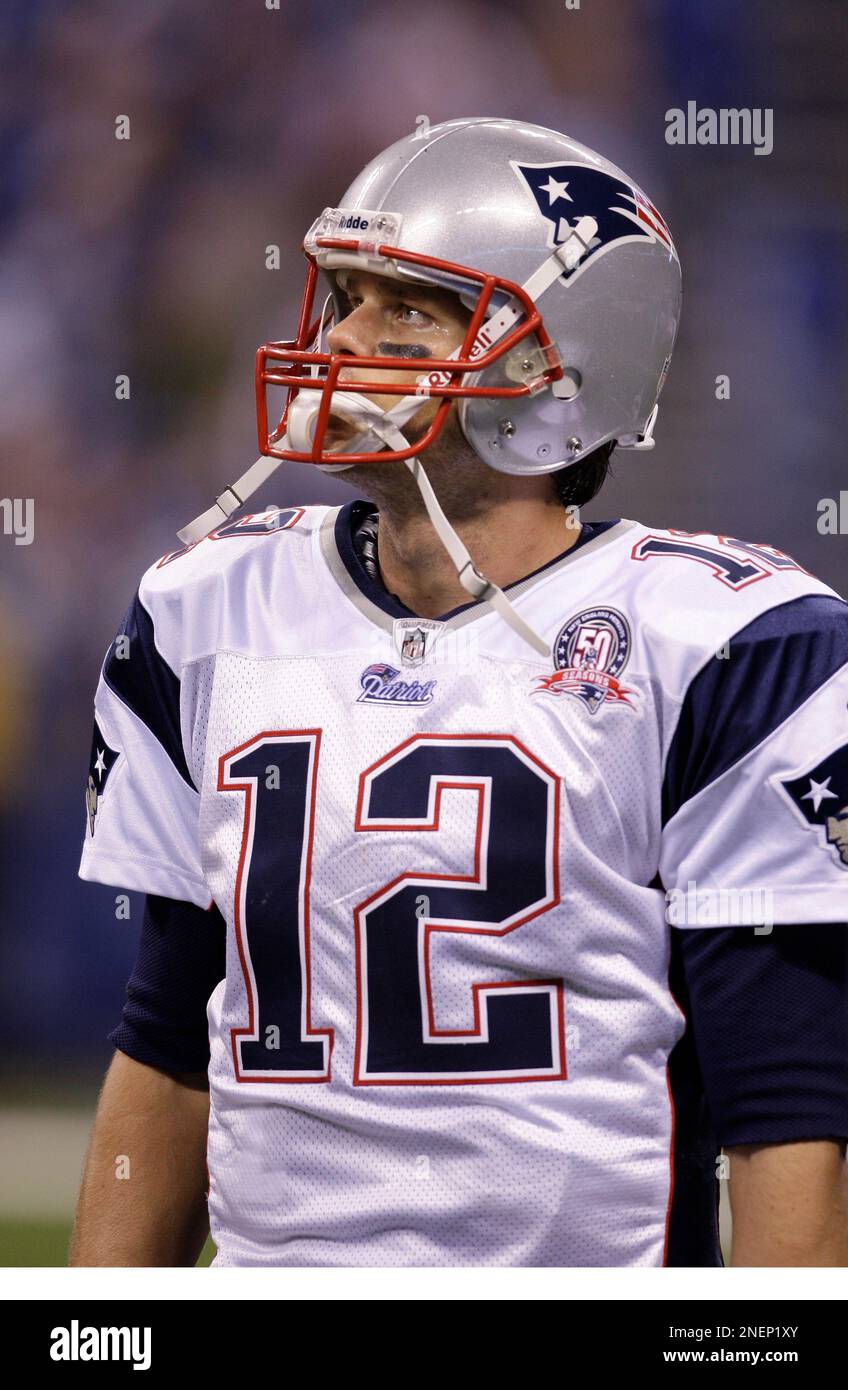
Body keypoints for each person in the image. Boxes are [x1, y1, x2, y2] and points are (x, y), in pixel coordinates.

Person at [72, 117, 848, 1268]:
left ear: (557, 363)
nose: (344, 337)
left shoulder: (721, 642)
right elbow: (170, 1049)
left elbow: (787, 1115)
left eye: (407, 308)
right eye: (345, 297)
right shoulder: (205, 607)